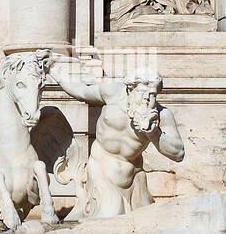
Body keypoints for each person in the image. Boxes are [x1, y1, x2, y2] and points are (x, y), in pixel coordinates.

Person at [50, 65, 184, 218]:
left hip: (134, 179)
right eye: (142, 92)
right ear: (130, 89)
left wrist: (154, 133)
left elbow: (178, 153)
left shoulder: (162, 115)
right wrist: (54, 69)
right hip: (101, 171)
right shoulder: (112, 93)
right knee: (110, 217)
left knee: (145, 222)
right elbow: (81, 91)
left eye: (152, 94)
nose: (147, 98)